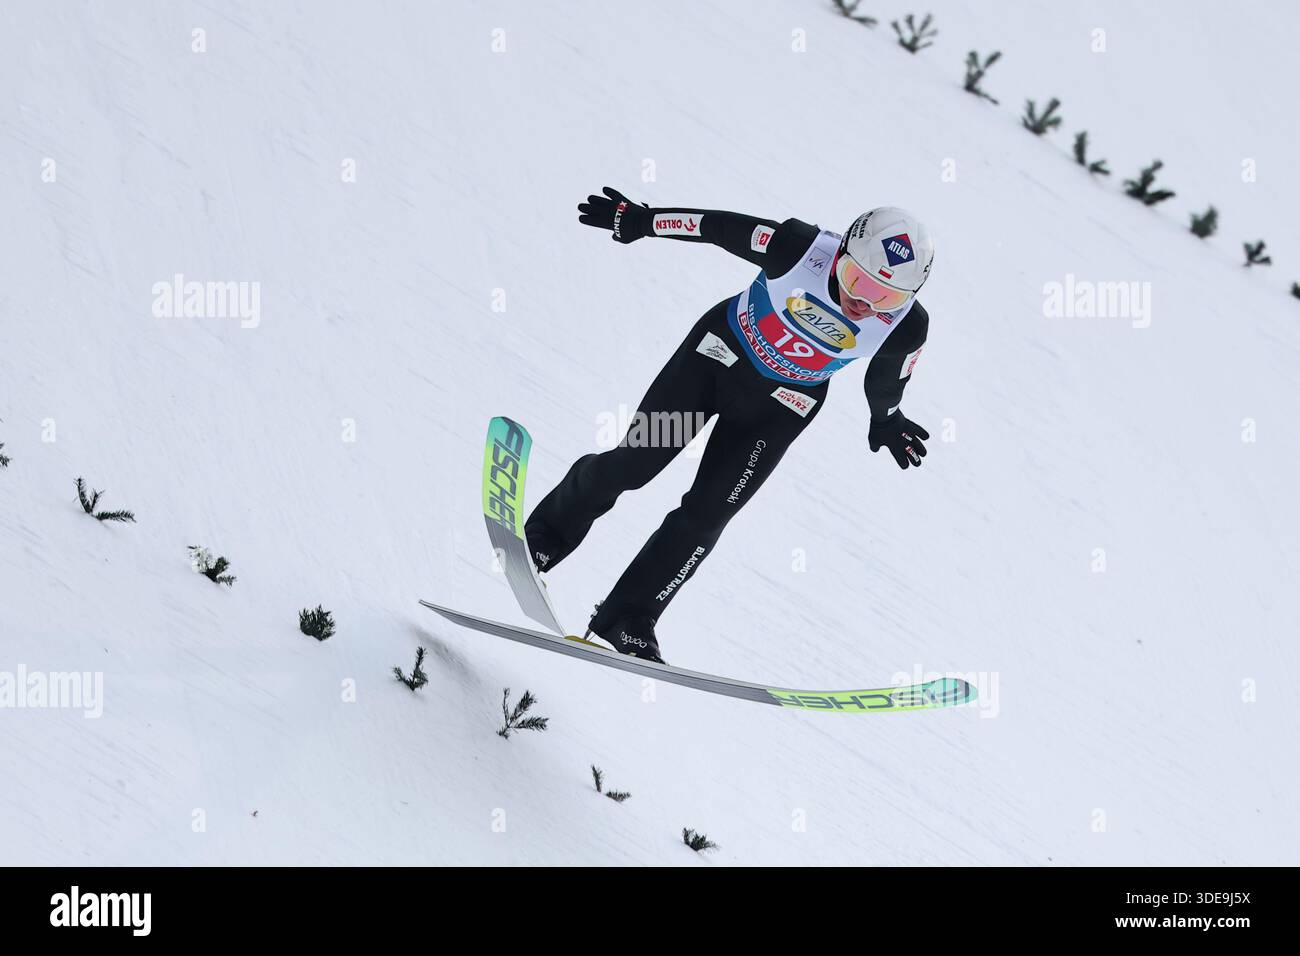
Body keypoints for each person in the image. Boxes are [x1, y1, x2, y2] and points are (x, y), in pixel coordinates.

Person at [525, 188, 935, 663]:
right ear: (839, 252)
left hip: (781, 408)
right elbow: (716, 226)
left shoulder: (906, 326)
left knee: (707, 516)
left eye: (883, 296)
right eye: (854, 280)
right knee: (634, 464)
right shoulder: (800, 249)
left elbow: (887, 381)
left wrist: (886, 420)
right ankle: (547, 535)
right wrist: (642, 220)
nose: (861, 303)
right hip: (713, 362)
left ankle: (630, 616)